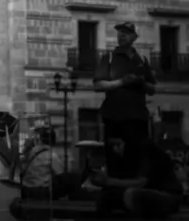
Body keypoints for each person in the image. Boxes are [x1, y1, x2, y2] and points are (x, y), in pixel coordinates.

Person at [93, 22, 156, 178]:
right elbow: (98, 85)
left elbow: (152, 89)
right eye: (120, 32)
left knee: (137, 160)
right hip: (115, 117)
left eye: (126, 32)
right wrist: (122, 82)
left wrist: (140, 82)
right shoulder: (109, 57)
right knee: (114, 160)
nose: (121, 35)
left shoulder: (141, 59)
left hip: (137, 118)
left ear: (134, 37)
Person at [92, 137, 183, 219]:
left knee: (131, 195)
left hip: (169, 196)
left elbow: (141, 182)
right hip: (154, 194)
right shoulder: (128, 158)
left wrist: (109, 181)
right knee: (107, 197)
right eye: (113, 146)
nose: (116, 149)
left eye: (119, 145)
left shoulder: (147, 153)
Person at [19, 126, 82, 201]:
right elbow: (61, 174)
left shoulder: (31, 153)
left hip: (26, 190)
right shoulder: (51, 155)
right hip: (41, 192)